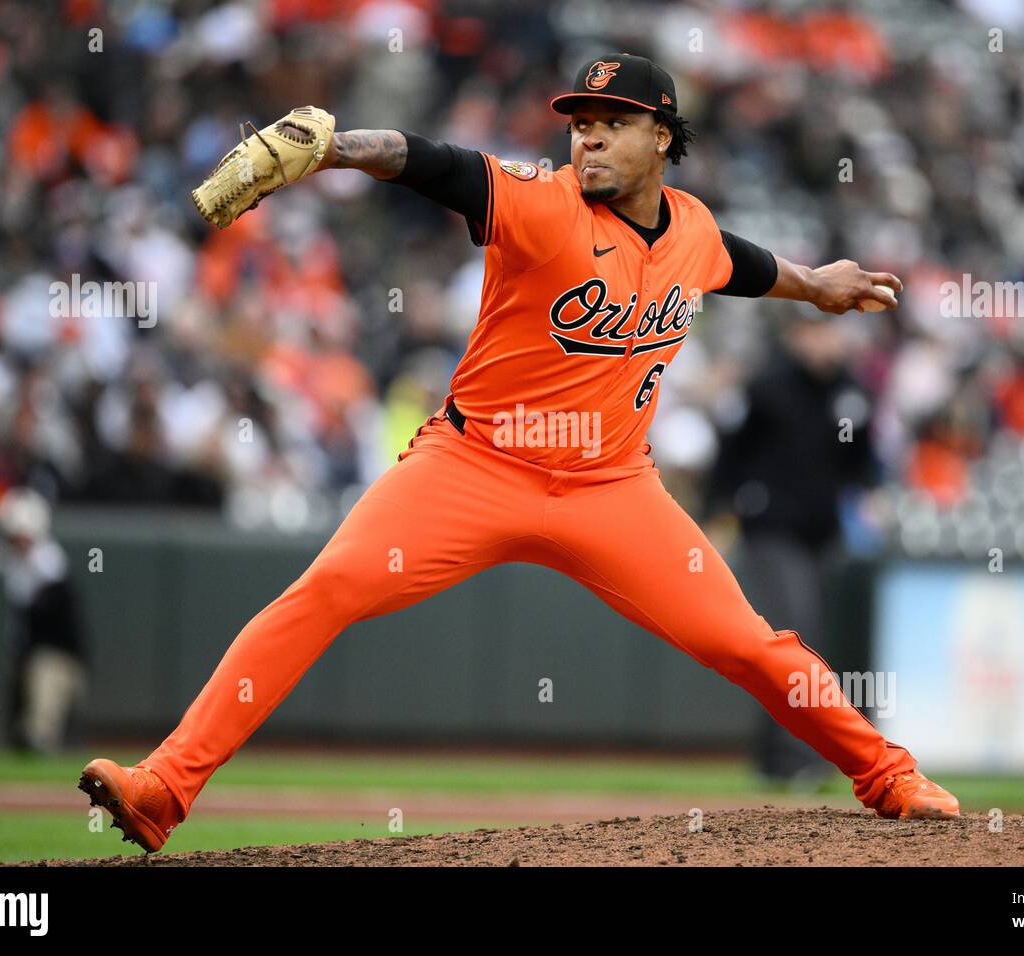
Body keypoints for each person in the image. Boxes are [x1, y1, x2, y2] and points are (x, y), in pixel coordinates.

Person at [80, 54, 960, 853]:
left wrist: (818, 286)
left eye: (610, 122)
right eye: (580, 124)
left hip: (612, 488)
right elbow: (432, 162)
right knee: (325, 592)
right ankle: (163, 787)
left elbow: (739, 262)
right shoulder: (541, 204)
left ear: (662, 135)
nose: (588, 138)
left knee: (751, 645)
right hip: (473, 467)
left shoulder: (691, 231)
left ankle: (890, 776)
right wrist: (336, 148)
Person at [707, 315, 877, 787]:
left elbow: (862, 458)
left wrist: (868, 491)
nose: (827, 340)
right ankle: (797, 758)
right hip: (771, 528)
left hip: (822, 532)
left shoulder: (850, 391)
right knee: (797, 634)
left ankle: (773, 758)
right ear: (796, 333)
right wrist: (717, 511)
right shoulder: (767, 385)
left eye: (833, 330)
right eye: (817, 329)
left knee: (797, 641)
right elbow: (729, 454)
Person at [0, 487, 87, 754]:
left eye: (26, 537)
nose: (21, 543)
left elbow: (65, 637)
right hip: (16, 651)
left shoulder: (52, 567)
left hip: (56, 657)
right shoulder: (0, 558)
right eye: (16, 537)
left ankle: (38, 740)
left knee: (45, 670)